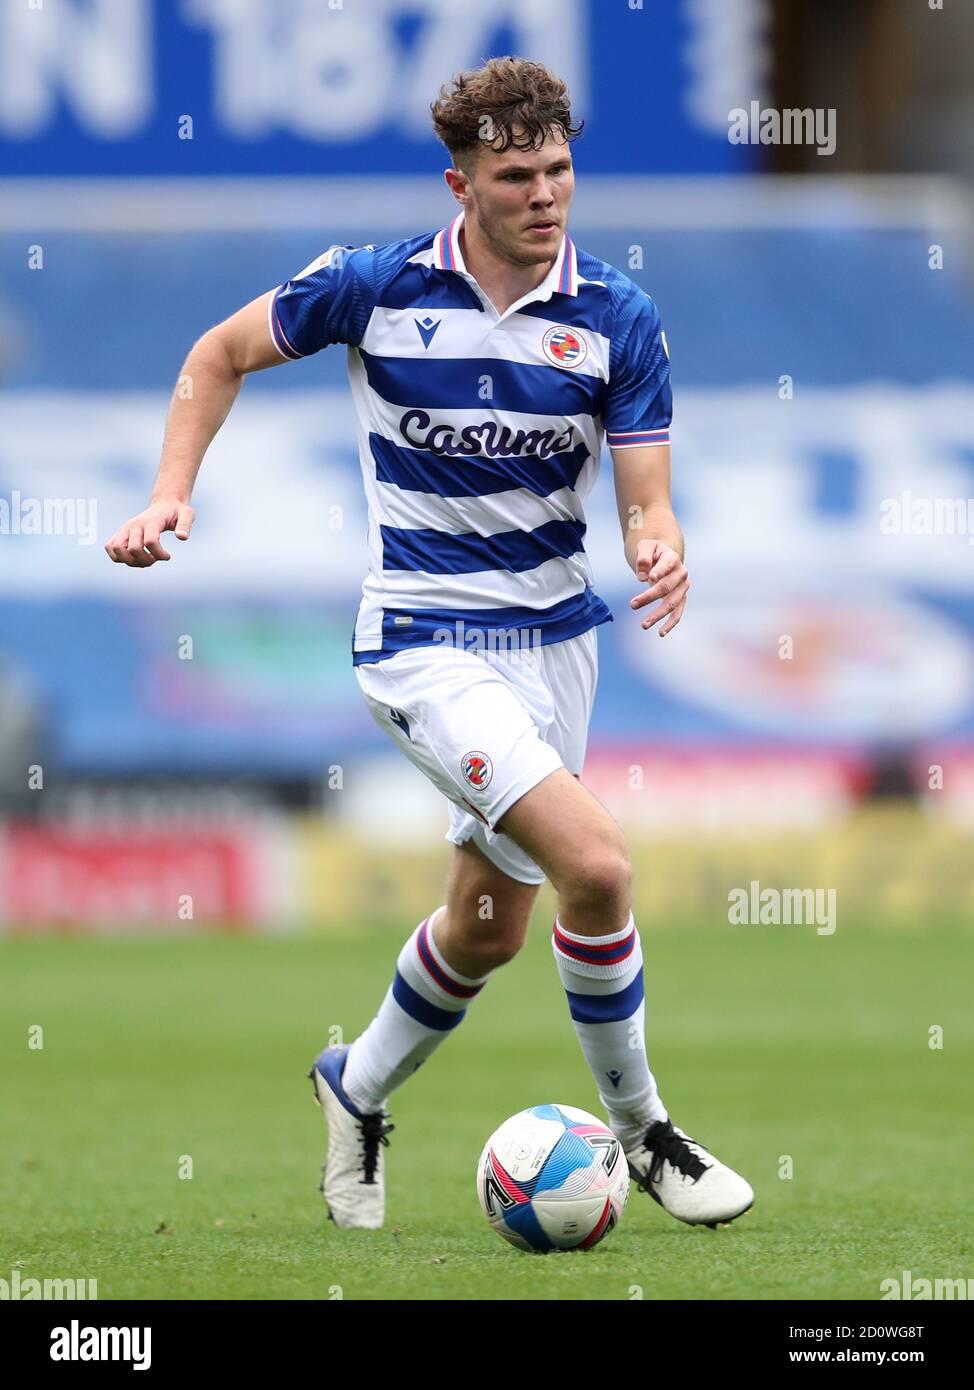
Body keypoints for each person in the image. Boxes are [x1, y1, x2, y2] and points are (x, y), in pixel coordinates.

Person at [105, 55, 753, 1234]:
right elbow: (217, 355)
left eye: (558, 168)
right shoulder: (374, 284)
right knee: (597, 867)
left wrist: (658, 544)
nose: (544, 194)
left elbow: (645, 500)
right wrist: (169, 493)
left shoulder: (616, 316)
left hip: (558, 647)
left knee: (486, 929)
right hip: (423, 639)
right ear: (461, 183)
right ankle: (643, 1127)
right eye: (516, 175)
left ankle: (351, 1089)